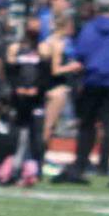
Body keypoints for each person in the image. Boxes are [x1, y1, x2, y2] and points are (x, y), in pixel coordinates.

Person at [57, 0, 109, 184]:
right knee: (108, 125)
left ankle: (82, 161)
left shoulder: (89, 28)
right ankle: (104, 165)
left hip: (91, 80)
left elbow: (80, 53)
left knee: (87, 124)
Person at [7, 16, 50, 186]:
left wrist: (37, 89)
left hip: (36, 99)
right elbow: (11, 72)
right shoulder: (16, 48)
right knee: (18, 134)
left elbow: (46, 73)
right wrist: (18, 87)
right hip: (19, 99)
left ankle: (36, 168)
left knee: (36, 135)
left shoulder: (43, 48)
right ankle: (15, 168)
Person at [39, 12, 80, 151]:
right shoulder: (58, 43)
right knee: (48, 126)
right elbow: (55, 70)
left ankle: (40, 156)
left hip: (46, 86)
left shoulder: (46, 41)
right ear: (67, 26)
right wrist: (72, 66)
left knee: (47, 125)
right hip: (56, 87)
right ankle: (39, 158)